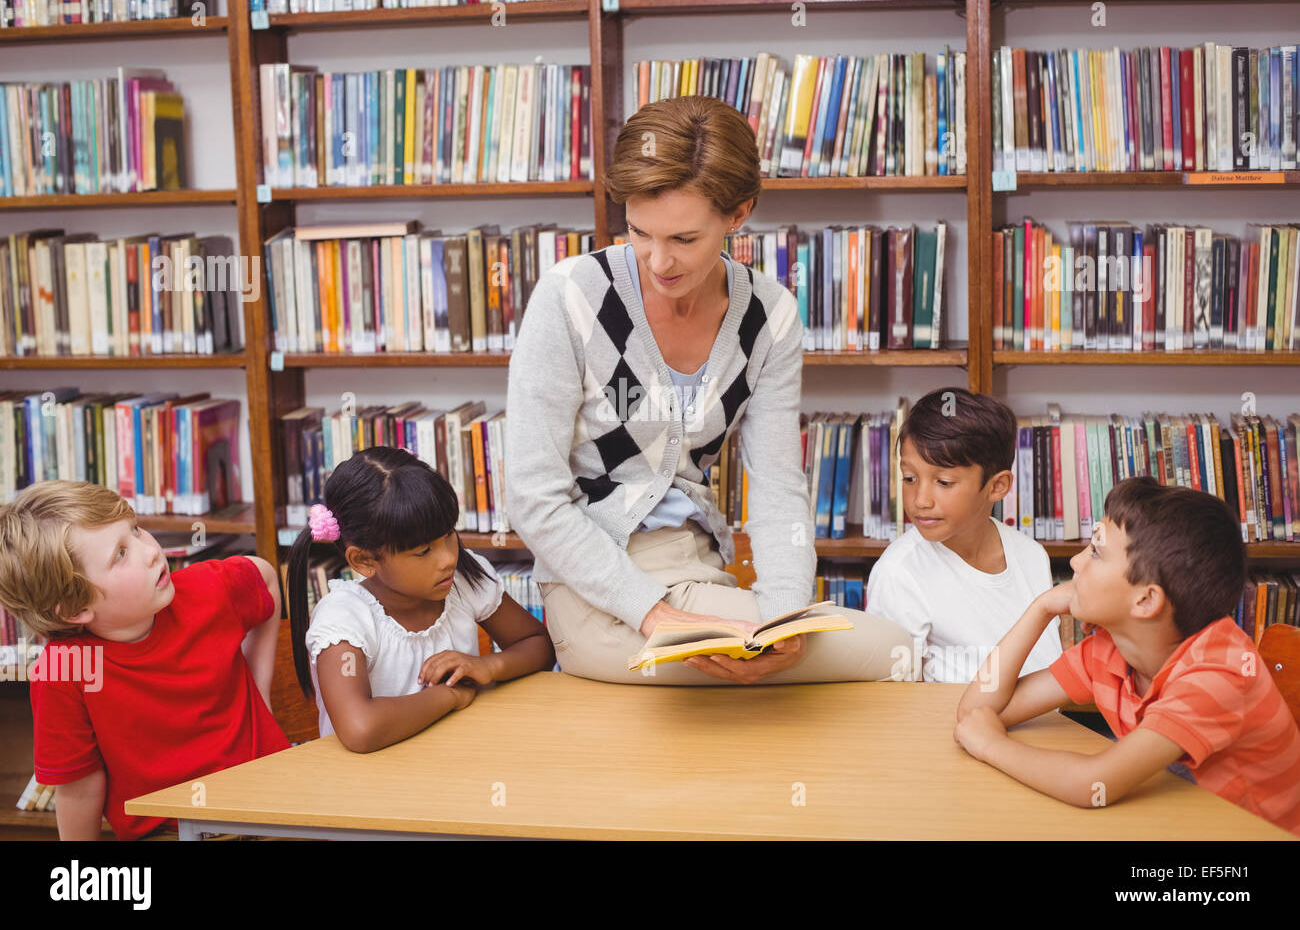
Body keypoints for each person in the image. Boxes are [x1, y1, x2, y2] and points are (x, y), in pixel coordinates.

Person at [505, 94, 911, 685]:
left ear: (739, 213)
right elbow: (533, 497)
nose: (657, 260)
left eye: (685, 239)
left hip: (699, 574)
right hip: (593, 591)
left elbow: (775, 486)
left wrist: (784, 617)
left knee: (852, 662)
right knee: (893, 655)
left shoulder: (769, 317)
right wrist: (650, 612)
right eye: (640, 232)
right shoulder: (571, 296)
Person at [954, 476, 1300, 835]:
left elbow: (1093, 785)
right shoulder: (1110, 648)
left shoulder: (1220, 674)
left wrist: (991, 746)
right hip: (1179, 811)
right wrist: (1040, 608)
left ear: (1146, 601)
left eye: (1096, 553)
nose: (1074, 562)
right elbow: (977, 713)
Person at [0, 480, 288, 840]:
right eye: (120, 553)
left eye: (135, 529)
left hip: (273, 810)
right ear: (76, 610)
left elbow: (264, 576)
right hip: (168, 832)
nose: (150, 550)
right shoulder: (64, 671)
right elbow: (79, 787)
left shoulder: (211, 589)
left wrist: (261, 695)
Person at [287, 446, 554, 752]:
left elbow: (539, 644)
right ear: (363, 561)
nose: (448, 559)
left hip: (459, 763)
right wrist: (449, 697)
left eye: (448, 535)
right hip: (371, 785)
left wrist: (488, 666)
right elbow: (360, 728)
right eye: (424, 551)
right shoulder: (344, 618)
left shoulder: (463, 578)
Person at [867, 388, 1059, 682]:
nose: (920, 500)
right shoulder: (899, 573)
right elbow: (895, 699)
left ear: (997, 486)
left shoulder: (1030, 555)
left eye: (943, 482)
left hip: (1044, 724)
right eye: (909, 478)